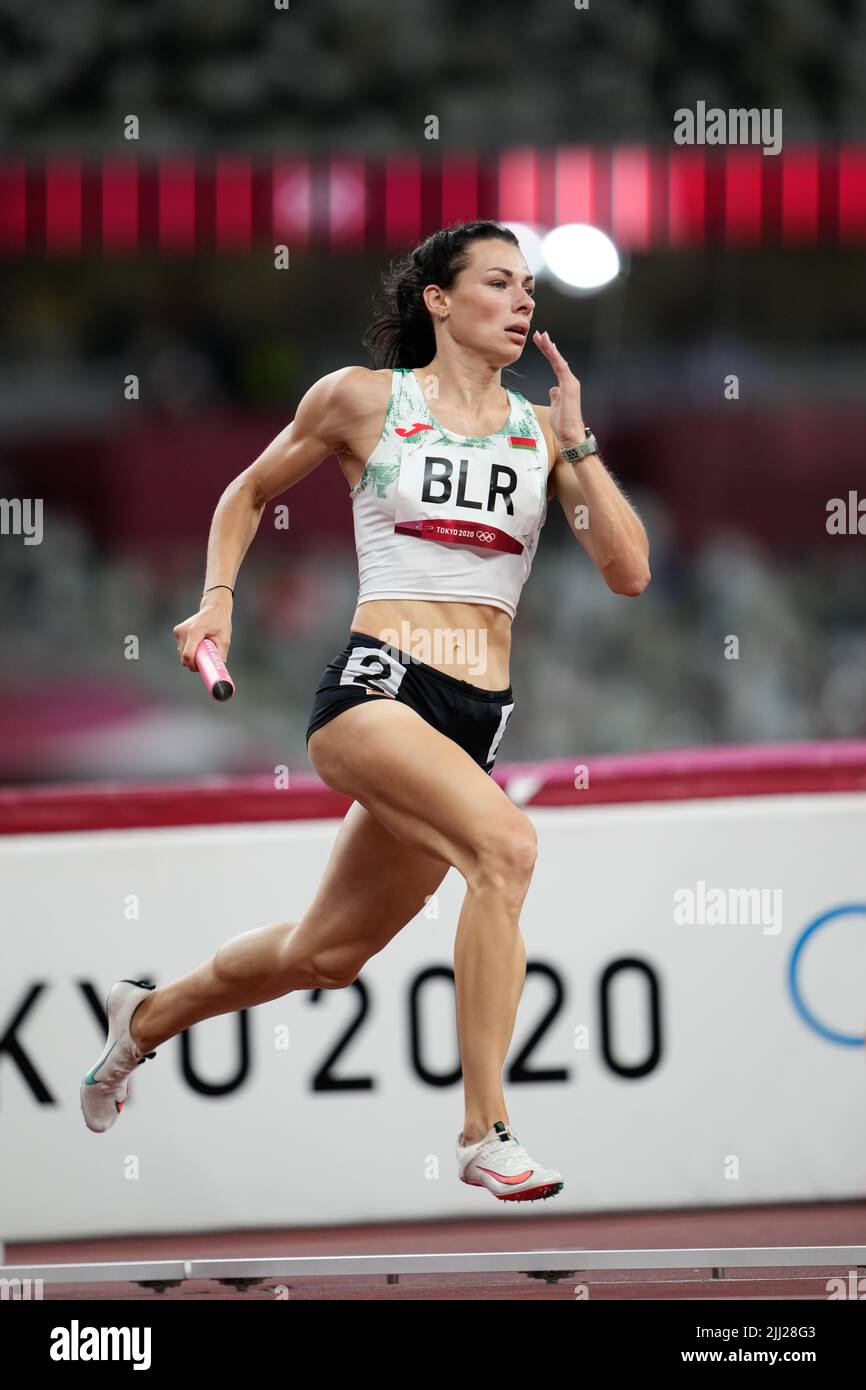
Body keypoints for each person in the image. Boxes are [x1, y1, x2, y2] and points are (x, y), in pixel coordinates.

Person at [81, 220, 650, 1203]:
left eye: (529, 288)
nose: (522, 302)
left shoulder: (534, 431)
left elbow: (628, 572)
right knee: (505, 851)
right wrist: (215, 596)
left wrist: (578, 444)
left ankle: (145, 1018)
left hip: (474, 718)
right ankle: (485, 1129)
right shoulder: (361, 399)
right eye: (498, 283)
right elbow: (248, 492)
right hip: (376, 688)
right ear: (438, 299)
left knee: (326, 953)